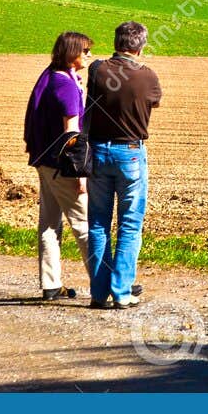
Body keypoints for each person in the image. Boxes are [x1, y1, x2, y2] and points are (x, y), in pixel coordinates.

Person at [85, 20, 162, 309]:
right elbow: (155, 102)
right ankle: (121, 291)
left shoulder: (98, 70)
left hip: (98, 152)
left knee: (98, 223)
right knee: (129, 225)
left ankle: (98, 292)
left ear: (116, 42)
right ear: (141, 46)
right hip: (130, 153)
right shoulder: (149, 77)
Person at [24, 31, 94, 302]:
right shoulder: (64, 85)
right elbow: (71, 133)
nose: (89, 55)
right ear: (71, 54)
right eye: (85, 51)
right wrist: (80, 174)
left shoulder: (51, 76)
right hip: (61, 166)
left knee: (50, 224)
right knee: (84, 224)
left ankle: (51, 284)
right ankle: (107, 283)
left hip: (45, 161)